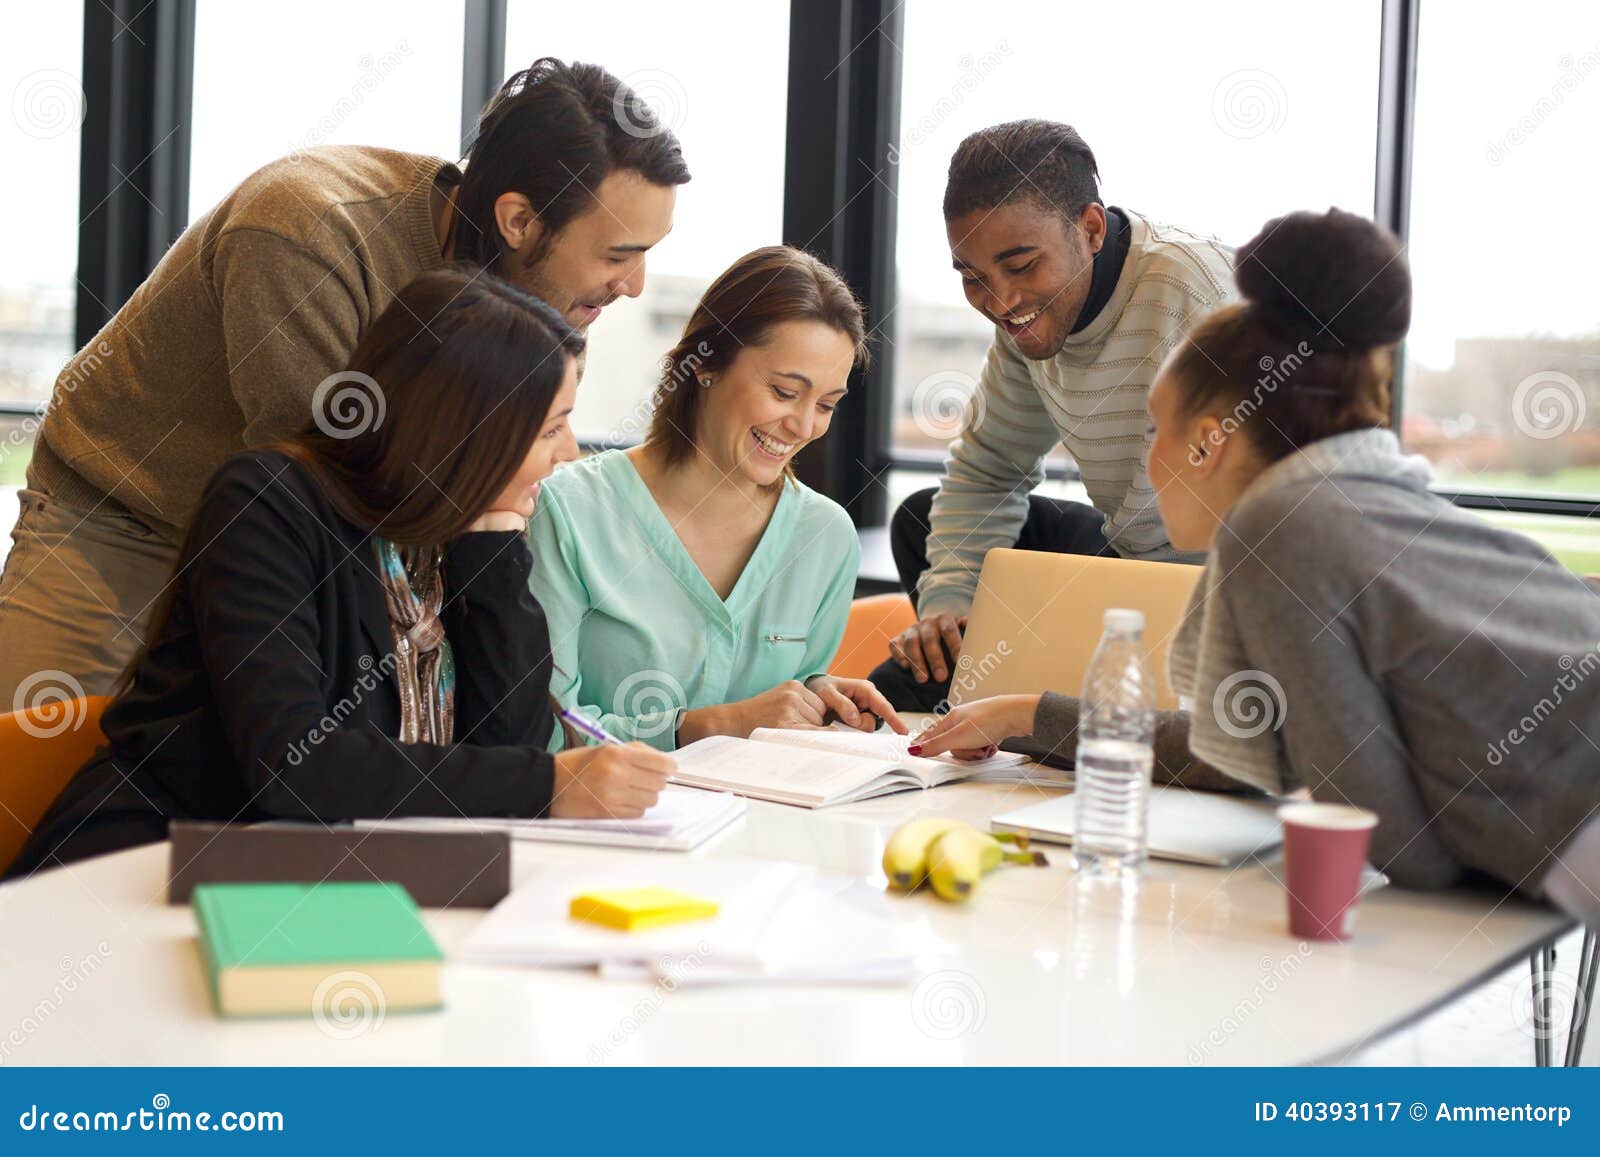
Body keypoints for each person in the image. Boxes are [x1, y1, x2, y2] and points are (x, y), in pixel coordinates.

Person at [931, 208, 1600, 905]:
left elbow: (1383, 836)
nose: (1145, 458)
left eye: (1158, 428)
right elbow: (1262, 750)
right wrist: (1028, 712)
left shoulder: (1279, 531)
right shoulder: (1361, 500)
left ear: (1210, 441)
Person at [0, 57, 689, 704]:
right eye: (618, 255)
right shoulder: (307, 231)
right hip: (127, 518)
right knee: (40, 791)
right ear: (518, 220)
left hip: (293, 556)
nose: (632, 286)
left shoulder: (548, 302)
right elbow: (319, 497)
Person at [6, 269, 673, 878]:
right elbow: (297, 766)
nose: (568, 453)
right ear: (464, 431)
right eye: (550, 429)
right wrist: (548, 783)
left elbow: (510, 742)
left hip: (328, 879)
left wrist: (494, 551)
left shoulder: (454, 534)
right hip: (151, 869)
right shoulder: (268, 503)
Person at [873, 120, 1235, 711]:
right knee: (920, 529)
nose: (1001, 302)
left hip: (1218, 590)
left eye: (1021, 266)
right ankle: (982, 685)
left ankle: (1024, 699)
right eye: (973, 278)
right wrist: (950, 600)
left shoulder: (1193, 292)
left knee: (945, 695)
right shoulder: (1026, 325)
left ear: (1090, 229)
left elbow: (1288, 507)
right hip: (1129, 563)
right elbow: (988, 471)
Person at [528, 245, 904, 750]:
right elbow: (544, 731)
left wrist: (817, 696)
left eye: (827, 404)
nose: (804, 426)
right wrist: (701, 727)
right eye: (784, 392)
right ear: (707, 365)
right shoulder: (567, 511)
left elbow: (779, 703)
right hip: (605, 822)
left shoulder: (825, 536)